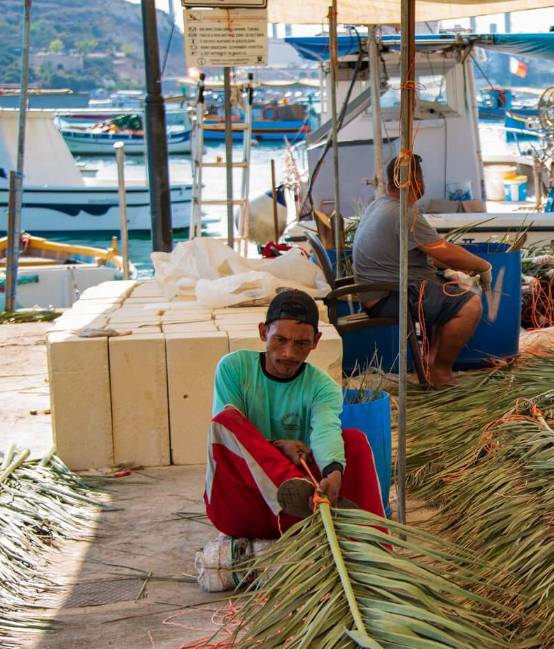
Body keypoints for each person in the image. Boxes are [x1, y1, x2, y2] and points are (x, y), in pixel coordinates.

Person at [204, 290, 386, 540]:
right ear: (262, 332)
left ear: (316, 341)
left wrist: (333, 474)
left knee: (354, 441)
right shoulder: (234, 368)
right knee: (225, 420)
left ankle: (373, 542)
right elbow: (227, 437)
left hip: (302, 513)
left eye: (301, 343)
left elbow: (326, 430)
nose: (288, 353)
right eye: (279, 340)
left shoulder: (322, 387)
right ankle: (292, 489)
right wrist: (278, 448)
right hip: (243, 506)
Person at [351, 154, 492, 387]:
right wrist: (482, 266)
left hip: (378, 291)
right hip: (388, 296)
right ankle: (441, 372)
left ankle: (430, 361)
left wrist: (454, 270)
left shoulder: (380, 204)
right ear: (415, 180)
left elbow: (428, 255)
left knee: (451, 291)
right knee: (470, 305)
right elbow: (442, 250)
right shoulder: (403, 214)